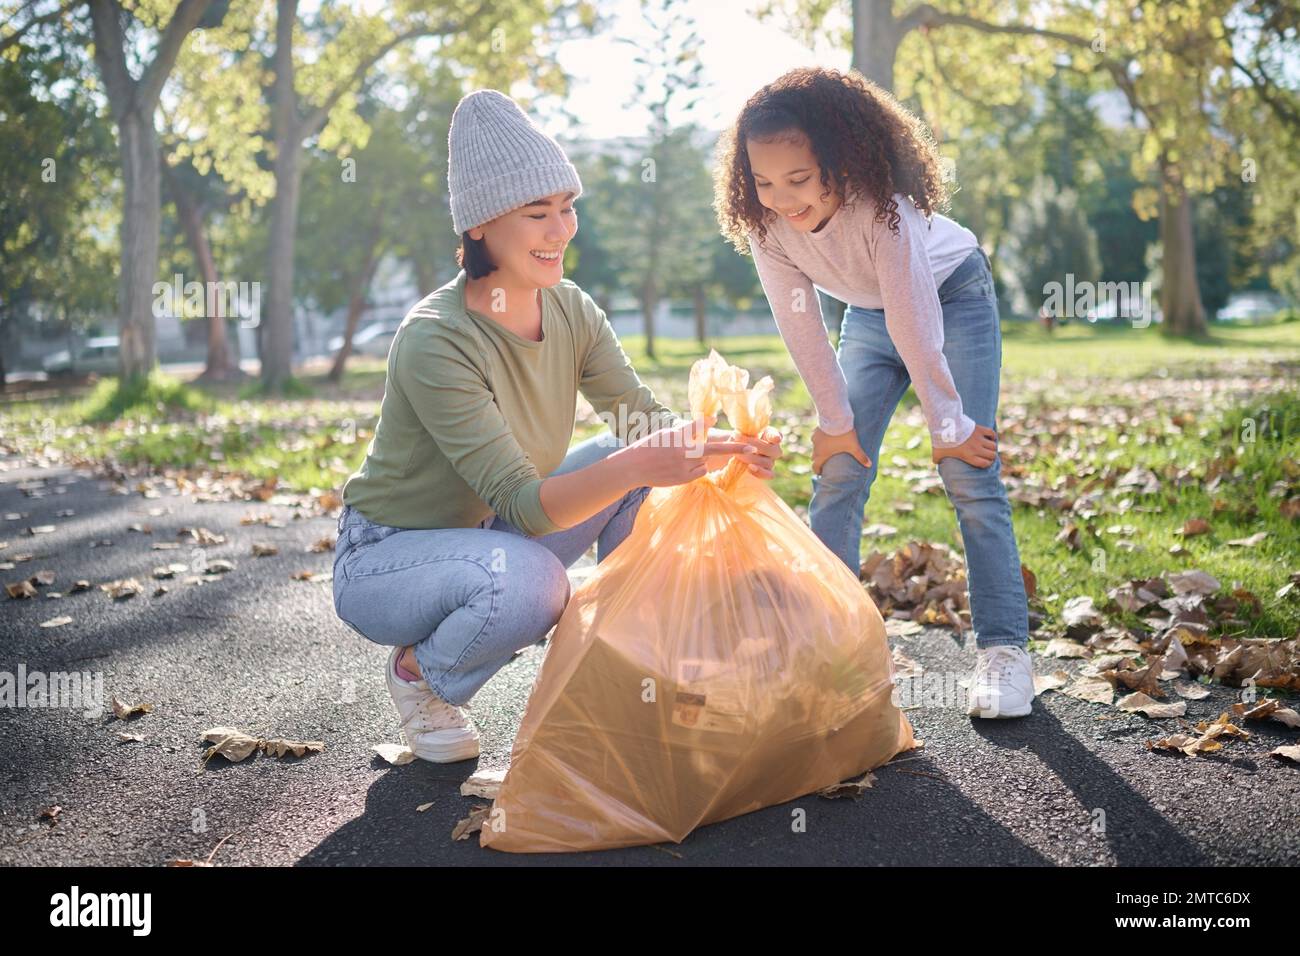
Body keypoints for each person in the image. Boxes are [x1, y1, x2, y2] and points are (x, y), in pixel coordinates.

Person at [333, 89, 782, 762]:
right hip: (390, 558)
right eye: (537, 213)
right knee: (531, 583)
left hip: (492, 535)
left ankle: (637, 667)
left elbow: (638, 422)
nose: (561, 229)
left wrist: (725, 449)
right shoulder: (435, 340)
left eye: (567, 208)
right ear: (480, 225)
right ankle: (420, 675)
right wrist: (640, 462)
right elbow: (524, 504)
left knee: (632, 472)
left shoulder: (569, 307)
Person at [713, 66, 1032, 718]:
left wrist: (948, 421)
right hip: (867, 317)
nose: (781, 197)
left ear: (841, 158)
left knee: (967, 467)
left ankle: (1005, 653)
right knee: (839, 465)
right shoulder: (767, 226)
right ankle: (827, 652)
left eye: (799, 179)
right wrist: (834, 420)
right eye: (764, 181)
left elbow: (915, 317)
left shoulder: (886, 208)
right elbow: (799, 323)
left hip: (950, 298)